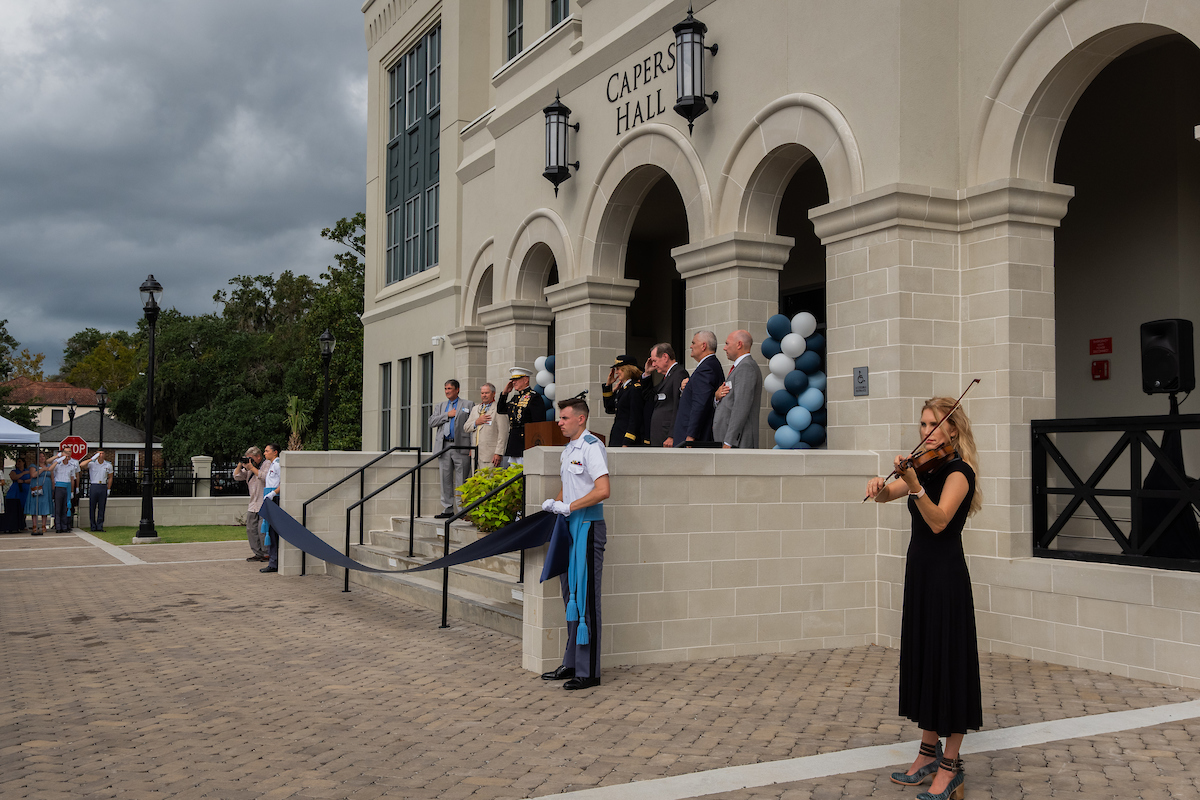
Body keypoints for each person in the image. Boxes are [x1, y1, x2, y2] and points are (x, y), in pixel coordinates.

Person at [864, 397, 984, 800]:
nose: (926, 432)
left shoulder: (958, 472)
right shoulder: (926, 467)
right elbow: (888, 495)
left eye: (933, 424)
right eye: (922, 424)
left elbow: (938, 521)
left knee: (947, 664)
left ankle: (949, 769)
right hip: (920, 575)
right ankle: (926, 753)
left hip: (946, 579)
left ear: (953, 430)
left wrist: (914, 485)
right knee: (926, 660)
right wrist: (878, 487)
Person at [539, 396, 610, 691]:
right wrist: (556, 503)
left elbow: (603, 490)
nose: (559, 422)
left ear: (581, 418)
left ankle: (588, 670)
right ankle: (571, 662)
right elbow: (568, 486)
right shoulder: (569, 449)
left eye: (565, 418)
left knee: (586, 599)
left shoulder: (592, 447)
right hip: (569, 527)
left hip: (588, 526)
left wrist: (571, 507)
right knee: (571, 598)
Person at [429, 379, 475, 519]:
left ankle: (462, 509)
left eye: (449, 388)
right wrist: (446, 415)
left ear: (457, 390)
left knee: (462, 479)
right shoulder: (441, 406)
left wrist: (473, 447)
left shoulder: (468, 404)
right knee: (445, 478)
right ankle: (448, 509)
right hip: (444, 446)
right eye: (445, 388)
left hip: (461, 446)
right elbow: (431, 422)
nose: (447, 391)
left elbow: (473, 427)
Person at [712, 330, 764, 449]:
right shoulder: (740, 367)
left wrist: (729, 441)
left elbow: (741, 406)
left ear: (739, 344)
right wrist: (717, 397)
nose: (725, 348)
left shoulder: (746, 367)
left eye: (727, 343)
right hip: (732, 440)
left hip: (738, 442)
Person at [672, 330, 723, 447]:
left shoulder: (706, 368)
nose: (691, 346)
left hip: (692, 437)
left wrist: (691, 435)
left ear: (703, 346)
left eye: (693, 343)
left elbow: (700, 404)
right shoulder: (709, 365)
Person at [497, 367, 546, 466]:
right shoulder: (515, 398)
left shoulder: (534, 397)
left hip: (526, 441)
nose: (513, 382)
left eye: (516, 380)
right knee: (513, 474)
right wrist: (504, 393)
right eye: (512, 380)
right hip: (514, 442)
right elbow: (501, 410)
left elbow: (538, 422)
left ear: (526, 380)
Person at [642, 344, 686, 447]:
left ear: (665, 357)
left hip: (667, 436)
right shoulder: (667, 377)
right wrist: (647, 373)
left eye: (655, 360)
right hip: (660, 434)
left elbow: (678, 406)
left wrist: (672, 435)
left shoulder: (678, 374)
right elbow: (649, 397)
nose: (653, 364)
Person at [233, 446, 269, 561]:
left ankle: (266, 553)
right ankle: (257, 553)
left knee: (261, 530)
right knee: (251, 529)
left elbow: (265, 477)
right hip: (253, 504)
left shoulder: (267, 464)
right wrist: (241, 464)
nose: (249, 461)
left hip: (263, 503)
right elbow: (237, 476)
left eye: (251, 458)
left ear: (258, 457)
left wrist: (252, 468)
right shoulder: (249, 469)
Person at [462, 383, 510, 469]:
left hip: (490, 455)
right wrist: (476, 422)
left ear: (493, 393)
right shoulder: (475, 409)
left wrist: (499, 453)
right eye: (482, 393)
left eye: (487, 393)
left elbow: (503, 433)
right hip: (475, 453)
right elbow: (466, 427)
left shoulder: (499, 408)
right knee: (476, 481)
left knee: (489, 480)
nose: (484, 395)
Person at [603, 357, 645, 447]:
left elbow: (635, 418)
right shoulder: (623, 389)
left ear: (627, 369)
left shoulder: (634, 389)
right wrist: (608, 386)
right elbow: (609, 409)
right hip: (618, 436)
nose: (617, 372)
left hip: (625, 439)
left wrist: (627, 442)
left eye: (618, 369)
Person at [259, 444, 282, 574]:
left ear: (275, 452)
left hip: (275, 497)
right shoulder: (272, 465)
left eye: (267, 451)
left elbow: (283, 482)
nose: (265, 453)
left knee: (273, 532)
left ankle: (274, 562)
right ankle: (273, 561)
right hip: (269, 496)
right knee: (270, 531)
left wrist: (273, 493)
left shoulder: (278, 465)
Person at [78, 450, 114, 532]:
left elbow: (110, 477)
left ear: (104, 455)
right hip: (94, 485)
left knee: (101, 507)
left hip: (103, 486)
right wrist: (92, 459)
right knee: (92, 507)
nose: (100, 455)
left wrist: (108, 488)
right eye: (99, 453)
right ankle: (93, 526)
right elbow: (81, 465)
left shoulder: (108, 464)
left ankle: (100, 526)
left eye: (102, 453)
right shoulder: (92, 463)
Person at [47, 447, 80, 533]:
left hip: (67, 485)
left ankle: (65, 526)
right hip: (59, 485)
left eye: (68, 456)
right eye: (66, 455)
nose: (67, 457)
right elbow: (50, 468)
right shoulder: (57, 464)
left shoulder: (71, 465)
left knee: (66, 507)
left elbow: (72, 479)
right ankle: (58, 527)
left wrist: (72, 491)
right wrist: (58, 459)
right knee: (58, 508)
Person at [25, 452, 54, 535]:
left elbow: (52, 478)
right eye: (40, 457)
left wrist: (53, 488)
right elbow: (33, 475)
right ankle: (34, 525)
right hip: (37, 488)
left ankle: (44, 525)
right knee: (35, 506)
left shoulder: (49, 467)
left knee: (44, 506)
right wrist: (42, 469)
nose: (42, 458)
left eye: (43, 456)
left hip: (46, 489)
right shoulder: (33, 466)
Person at [4, 458, 29, 532]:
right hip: (16, 491)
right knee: (16, 507)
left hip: (25, 490)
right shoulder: (14, 471)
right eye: (17, 462)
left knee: (24, 507)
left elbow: (31, 479)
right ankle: (15, 524)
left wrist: (23, 480)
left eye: (20, 462)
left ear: (24, 462)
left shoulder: (28, 471)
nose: (18, 463)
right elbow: (14, 477)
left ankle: (22, 524)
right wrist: (23, 474)